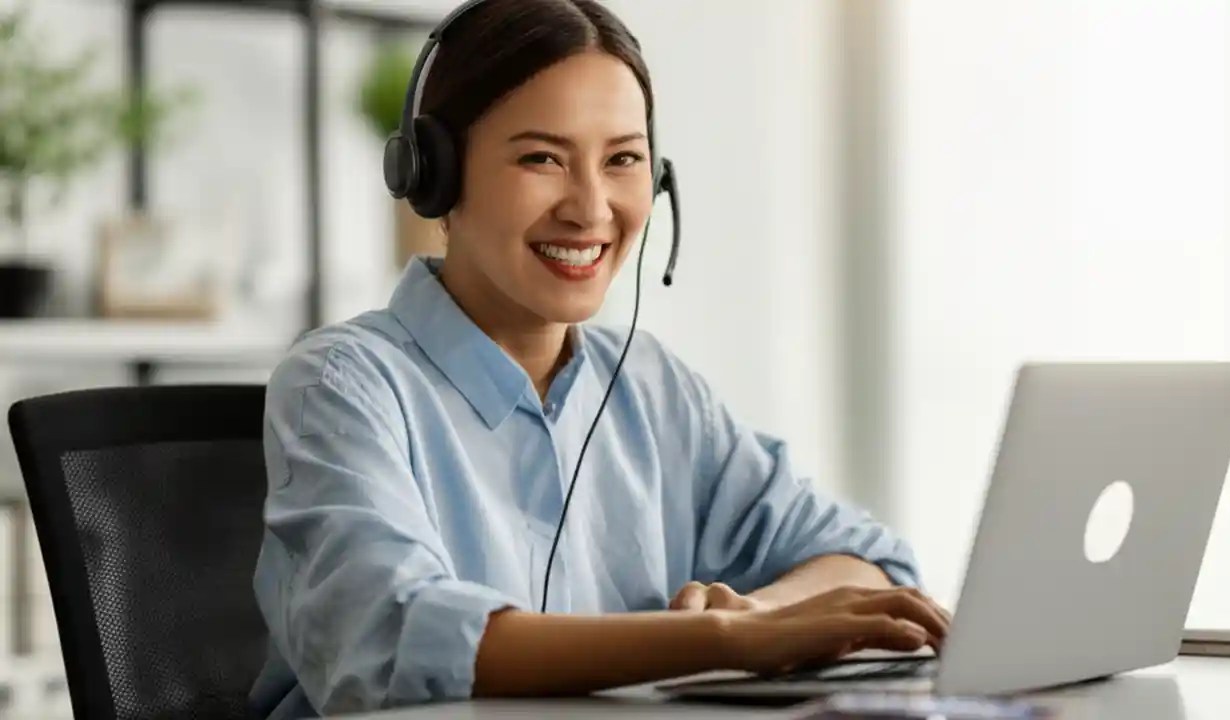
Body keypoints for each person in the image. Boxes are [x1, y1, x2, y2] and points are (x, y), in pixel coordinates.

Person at [249, 1, 949, 717]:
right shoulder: (343, 384)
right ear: (437, 175)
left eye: (623, 160)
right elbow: (398, 641)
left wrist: (763, 612)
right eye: (542, 158)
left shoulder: (652, 388)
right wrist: (721, 640)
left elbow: (868, 564)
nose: (591, 208)